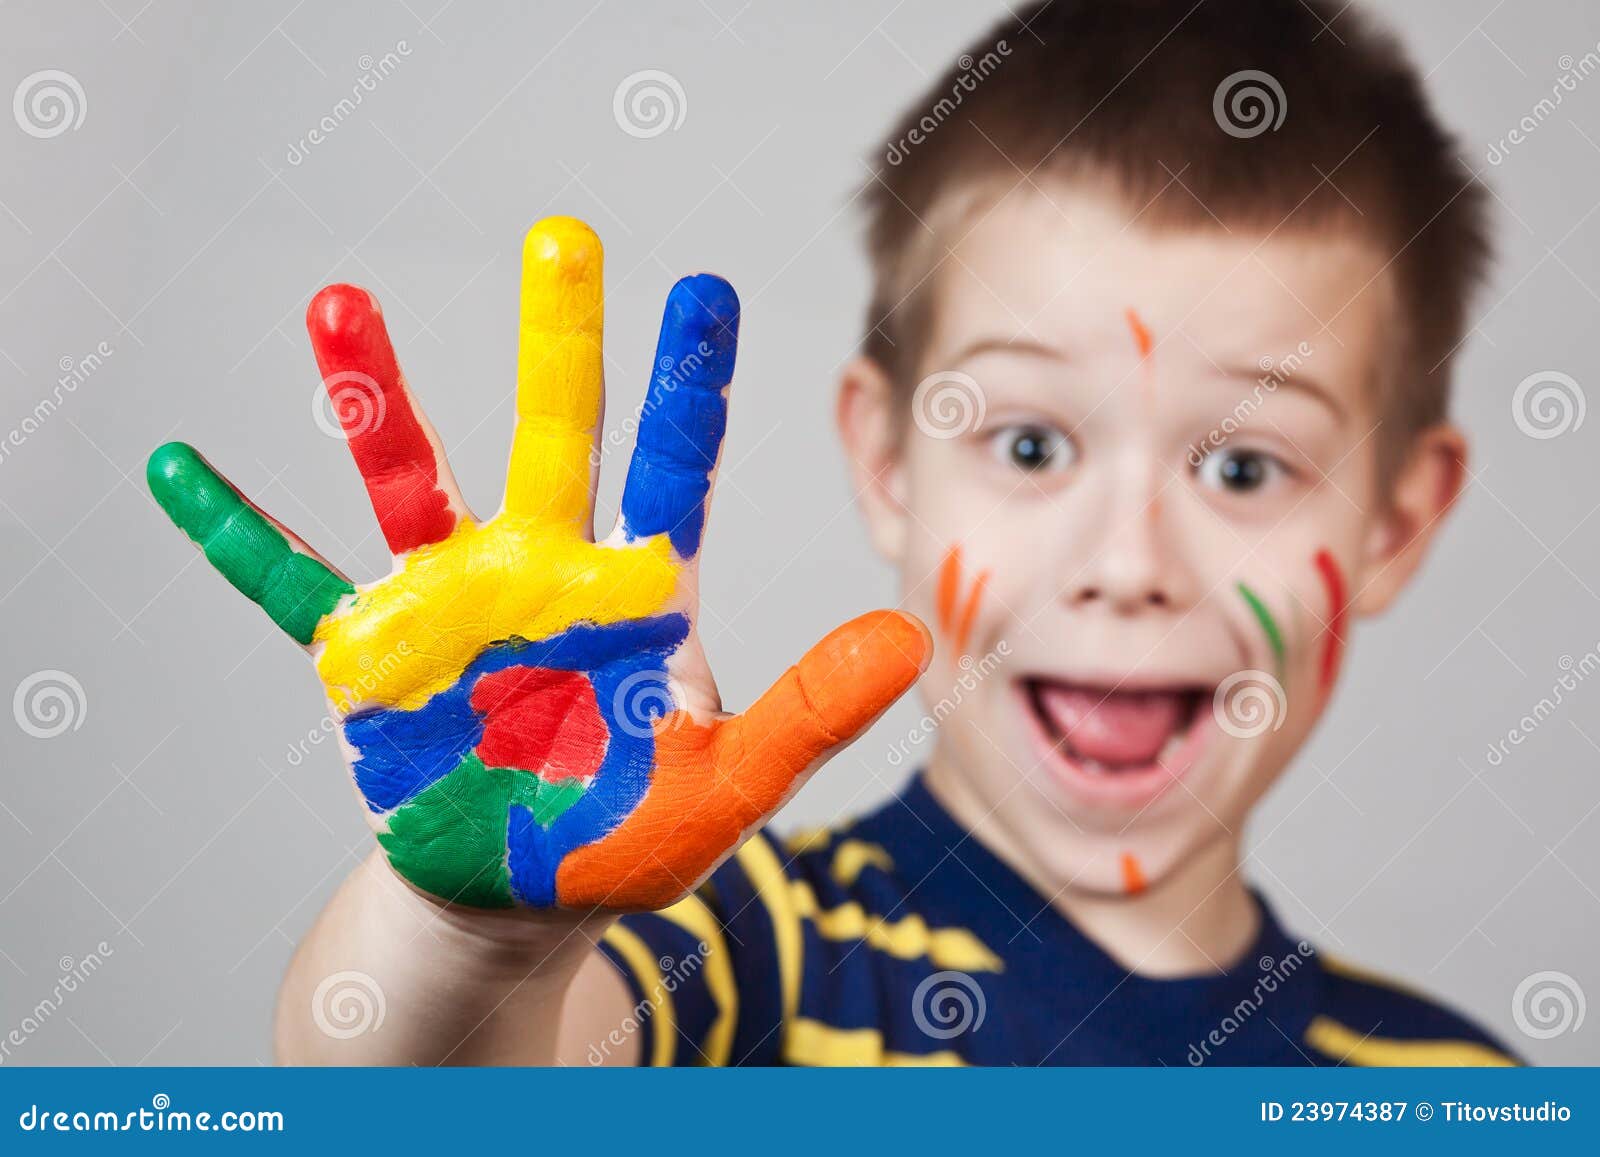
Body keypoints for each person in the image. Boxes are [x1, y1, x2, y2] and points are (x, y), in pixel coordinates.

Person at [148, 0, 1518, 1065]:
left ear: (1397, 521)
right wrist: (478, 937)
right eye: (1031, 443)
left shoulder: (1449, 1084)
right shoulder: (752, 952)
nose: (1129, 564)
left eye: (1244, 464)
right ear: (886, 463)